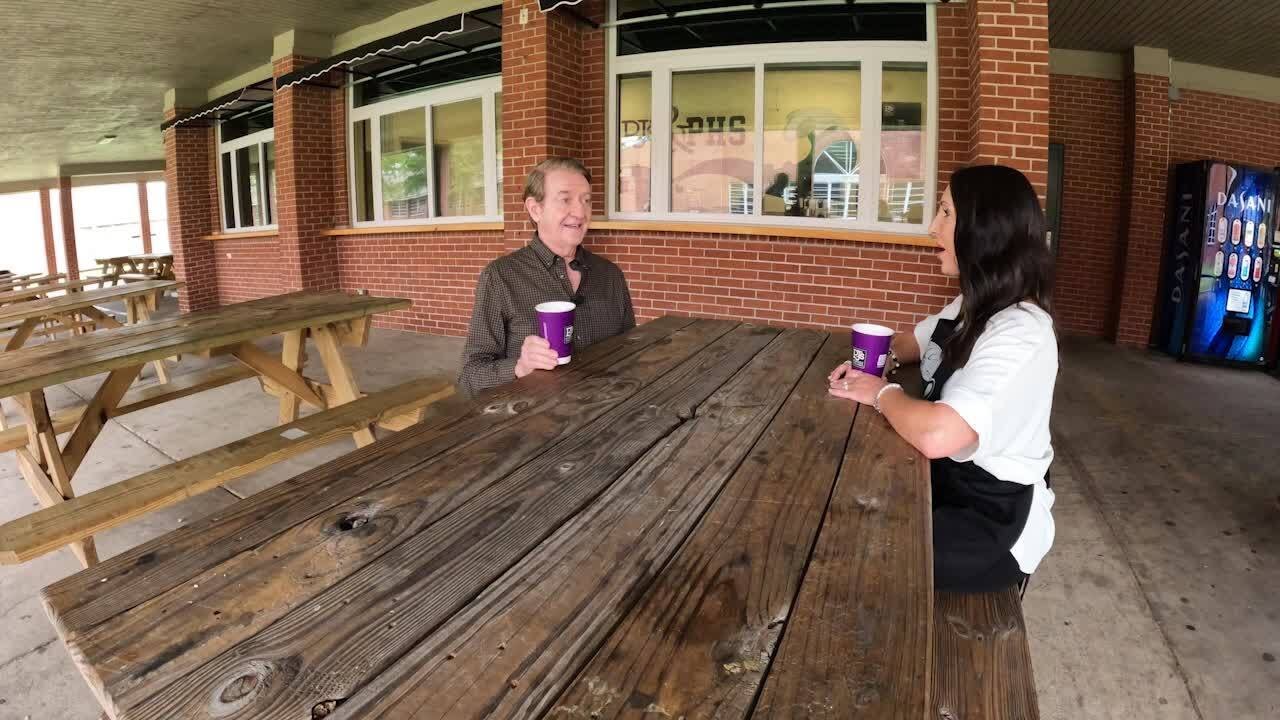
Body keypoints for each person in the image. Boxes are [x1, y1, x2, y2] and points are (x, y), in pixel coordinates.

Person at [828, 165, 1058, 592]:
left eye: (946, 213)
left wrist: (880, 392)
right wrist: (879, 359)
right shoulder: (973, 304)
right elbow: (912, 342)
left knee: (850, 553)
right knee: (839, 501)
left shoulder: (1022, 330)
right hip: (947, 480)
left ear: (986, 227)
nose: (932, 227)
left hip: (992, 518)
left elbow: (939, 435)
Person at [457, 157, 636, 396]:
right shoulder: (501, 277)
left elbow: (630, 352)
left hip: (606, 407)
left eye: (586, 200)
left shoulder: (610, 275)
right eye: (565, 199)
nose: (580, 212)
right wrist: (519, 367)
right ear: (535, 209)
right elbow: (470, 376)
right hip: (534, 413)